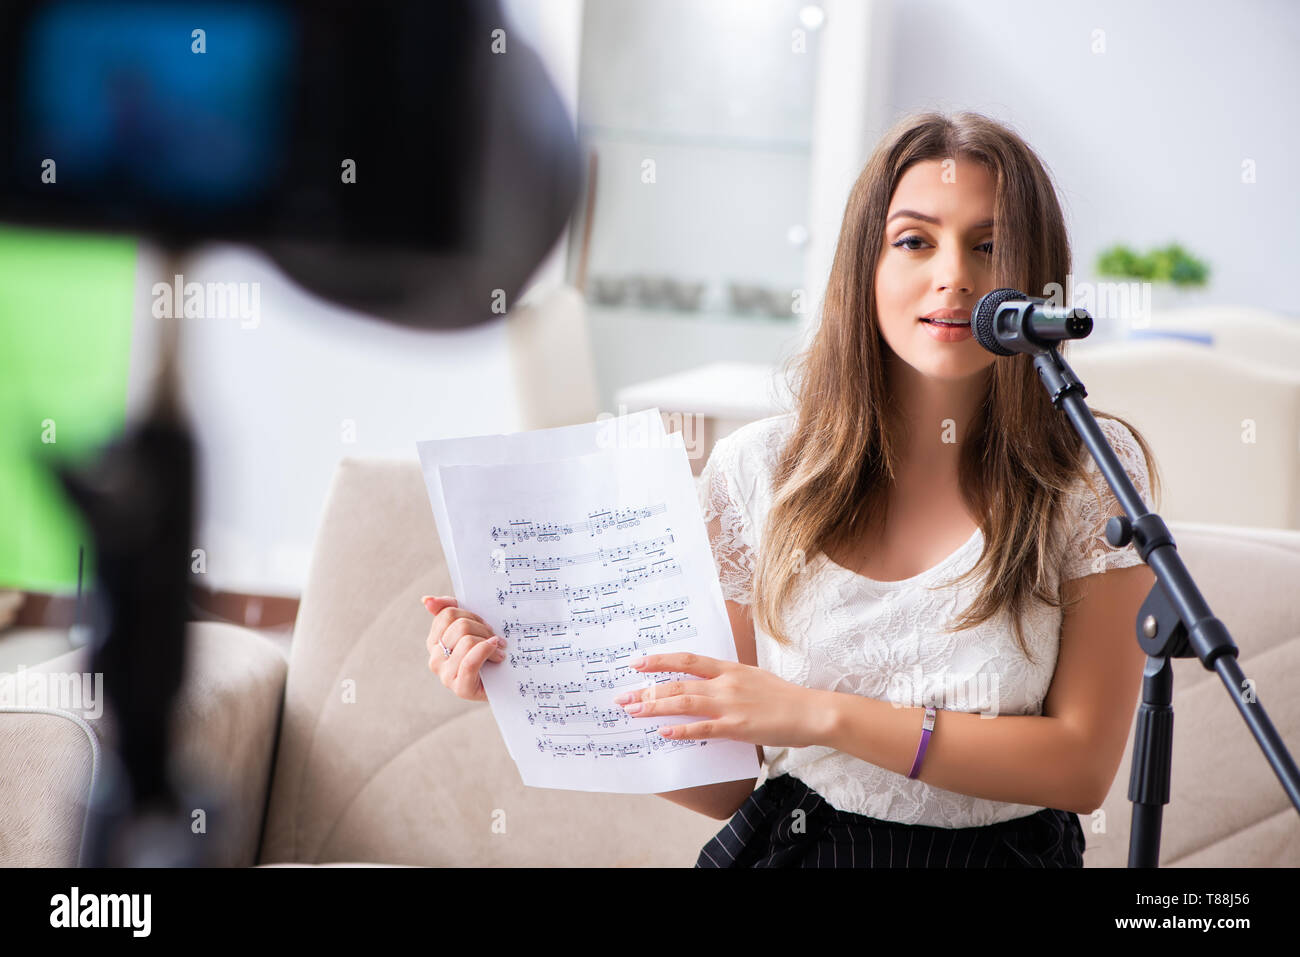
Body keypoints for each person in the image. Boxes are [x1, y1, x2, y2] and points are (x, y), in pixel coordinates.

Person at [425, 109, 1163, 868]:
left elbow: (1080, 767)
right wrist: (532, 686)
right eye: (914, 240)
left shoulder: (1091, 474)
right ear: (862, 267)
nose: (955, 276)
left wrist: (820, 714)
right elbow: (728, 783)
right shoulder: (759, 471)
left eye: (990, 245)